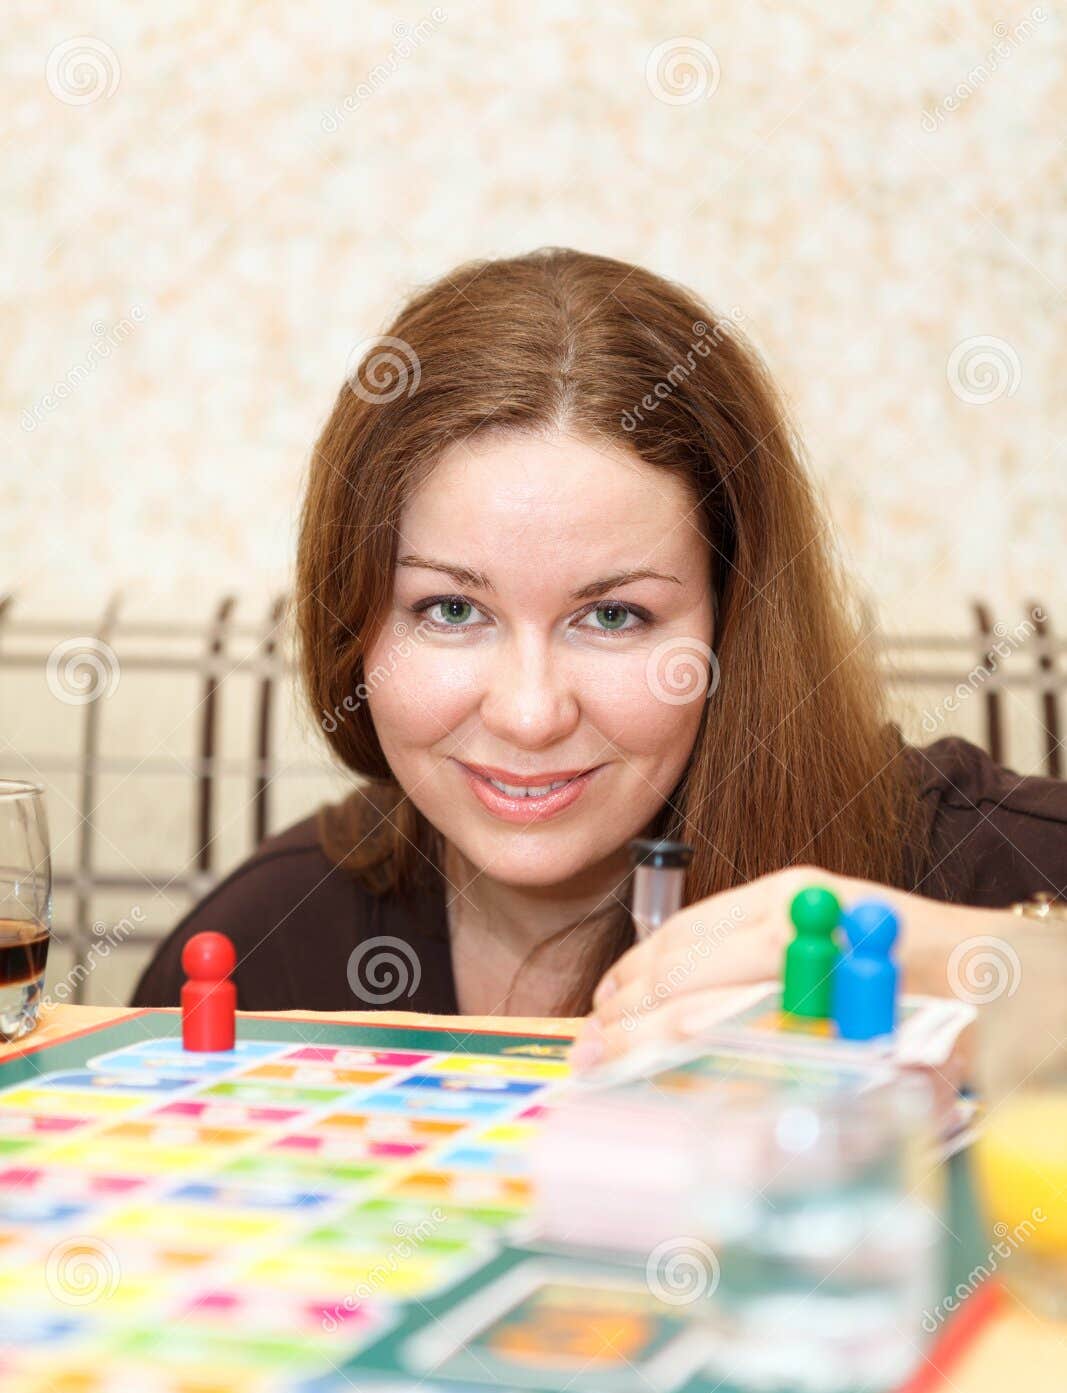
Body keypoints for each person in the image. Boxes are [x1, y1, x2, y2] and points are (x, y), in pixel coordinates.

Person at [131, 247, 1067, 1063]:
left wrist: (970, 973)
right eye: (451, 608)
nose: (530, 714)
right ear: (356, 624)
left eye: (613, 617)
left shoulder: (966, 860)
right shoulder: (267, 944)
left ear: (731, 623)